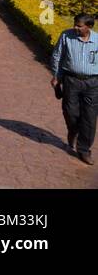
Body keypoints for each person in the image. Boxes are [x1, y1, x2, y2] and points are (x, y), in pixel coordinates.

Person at [51, 13, 97, 166]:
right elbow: (57, 55)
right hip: (71, 80)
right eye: (75, 24)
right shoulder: (66, 36)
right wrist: (56, 76)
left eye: (79, 25)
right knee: (70, 112)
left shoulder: (97, 40)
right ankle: (73, 131)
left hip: (92, 83)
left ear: (89, 27)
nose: (75, 27)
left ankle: (84, 150)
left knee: (89, 118)